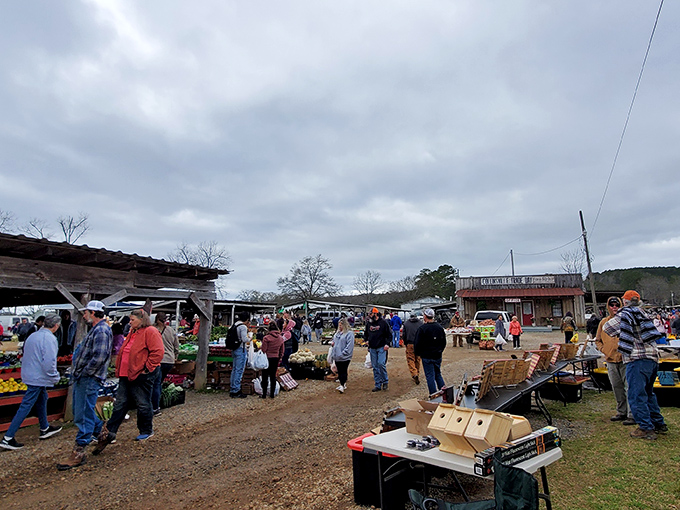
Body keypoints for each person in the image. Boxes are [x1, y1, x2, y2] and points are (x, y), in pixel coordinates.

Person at [92, 309, 164, 456]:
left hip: (140, 374)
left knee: (142, 402)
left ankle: (146, 430)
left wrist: (147, 368)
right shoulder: (133, 332)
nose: (129, 322)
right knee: (120, 403)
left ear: (141, 319)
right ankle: (109, 433)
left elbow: (158, 352)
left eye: (132, 319)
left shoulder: (150, 331)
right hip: (126, 374)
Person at [603, 290, 667, 440]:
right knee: (648, 393)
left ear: (625, 302)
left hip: (636, 358)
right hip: (652, 358)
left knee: (636, 394)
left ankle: (645, 427)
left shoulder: (625, 314)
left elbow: (608, 328)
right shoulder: (643, 313)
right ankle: (658, 423)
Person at [57, 301, 113, 470]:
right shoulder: (96, 330)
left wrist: (84, 371)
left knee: (84, 413)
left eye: (86, 312)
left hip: (89, 378)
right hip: (85, 377)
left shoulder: (102, 330)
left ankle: (79, 452)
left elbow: (99, 357)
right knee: (82, 410)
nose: (84, 315)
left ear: (94, 313)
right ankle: (103, 435)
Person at [1, 314, 63, 451]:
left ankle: (44, 427)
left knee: (42, 398)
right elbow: (49, 361)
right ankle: (8, 437)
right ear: (56, 326)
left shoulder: (33, 336)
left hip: (28, 374)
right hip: (38, 377)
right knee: (26, 405)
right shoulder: (50, 339)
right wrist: (55, 376)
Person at [595, 296, 634, 425]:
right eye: (612, 305)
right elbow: (598, 340)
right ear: (608, 307)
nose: (614, 307)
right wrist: (604, 349)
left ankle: (631, 414)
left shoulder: (626, 320)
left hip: (625, 359)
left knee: (629, 387)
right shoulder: (603, 322)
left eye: (617, 305)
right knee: (616, 387)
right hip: (610, 360)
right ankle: (621, 412)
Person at [152, 312, 180, 415]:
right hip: (169, 360)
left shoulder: (153, 329)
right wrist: (175, 357)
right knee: (159, 382)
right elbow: (176, 346)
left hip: (158, 360)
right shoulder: (171, 330)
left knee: (156, 383)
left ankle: (155, 407)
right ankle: (157, 404)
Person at [414, 308, 447, 396]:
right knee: (438, 374)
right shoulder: (439, 328)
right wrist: (440, 351)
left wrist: (418, 353)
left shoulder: (422, 329)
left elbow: (417, 343)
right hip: (437, 355)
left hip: (427, 356)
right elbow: (443, 342)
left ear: (425, 316)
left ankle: (434, 395)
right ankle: (444, 393)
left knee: (430, 376)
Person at [364, 307, 391, 392]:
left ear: (375, 314)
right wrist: (366, 340)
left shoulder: (383, 323)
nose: (369, 316)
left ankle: (385, 381)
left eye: (371, 314)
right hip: (372, 347)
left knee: (381, 364)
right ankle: (378, 384)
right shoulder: (369, 323)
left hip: (381, 347)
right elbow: (366, 334)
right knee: (375, 366)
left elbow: (389, 334)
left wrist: (387, 344)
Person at [260, 322, 284, 399]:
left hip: (266, 359)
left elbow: (264, 349)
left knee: (265, 376)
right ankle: (272, 394)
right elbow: (282, 350)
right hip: (275, 358)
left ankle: (264, 394)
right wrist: (280, 358)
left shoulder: (266, 338)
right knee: (273, 376)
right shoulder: (280, 338)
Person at [230, 311, 251, 399]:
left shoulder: (234, 325)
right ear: (246, 319)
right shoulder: (242, 327)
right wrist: (249, 338)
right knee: (239, 370)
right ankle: (236, 390)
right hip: (240, 349)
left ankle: (232, 388)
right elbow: (244, 339)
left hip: (234, 349)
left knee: (234, 369)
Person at [331, 317, 355, 393]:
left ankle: (342, 384)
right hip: (337, 355)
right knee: (340, 370)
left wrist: (344, 353)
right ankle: (343, 383)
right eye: (339, 325)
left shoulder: (349, 333)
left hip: (345, 356)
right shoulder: (337, 333)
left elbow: (350, 345)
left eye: (341, 325)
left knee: (343, 369)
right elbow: (334, 340)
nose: (340, 327)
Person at [403, 312, 423, 385]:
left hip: (410, 343)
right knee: (417, 359)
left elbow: (404, 334)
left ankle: (414, 374)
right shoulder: (420, 323)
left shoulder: (406, 323)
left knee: (410, 359)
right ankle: (417, 372)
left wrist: (405, 343)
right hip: (419, 343)